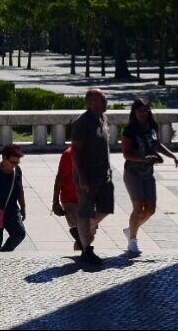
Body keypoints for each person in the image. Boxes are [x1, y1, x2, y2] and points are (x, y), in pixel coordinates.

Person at [120, 99, 178, 255]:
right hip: (133, 172)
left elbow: (157, 145)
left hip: (148, 173)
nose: (144, 113)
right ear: (134, 113)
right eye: (141, 110)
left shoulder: (152, 127)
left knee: (151, 209)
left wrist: (173, 156)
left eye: (146, 110)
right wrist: (143, 159)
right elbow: (126, 153)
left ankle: (131, 229)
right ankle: (133, 241)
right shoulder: (129, 130)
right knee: (138, 206)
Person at [71, 89, 114, 265]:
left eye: (105, 99)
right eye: (103, 100)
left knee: (106, 208)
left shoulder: (103, 118)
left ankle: (80, 230)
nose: (106, 102)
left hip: (104, 175)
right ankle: (87, 250)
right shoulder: (82, 123)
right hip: (87, 176)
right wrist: (82, 178)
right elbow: (75, 152)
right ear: (91, 103)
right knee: (85, 211)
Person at [51, 146, 83, 252]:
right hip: (70, 200)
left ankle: (79, 257)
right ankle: (82, 258)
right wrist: (55, 202)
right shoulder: (69, 154)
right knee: (81, 236)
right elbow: (59, 177)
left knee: (90, 236)